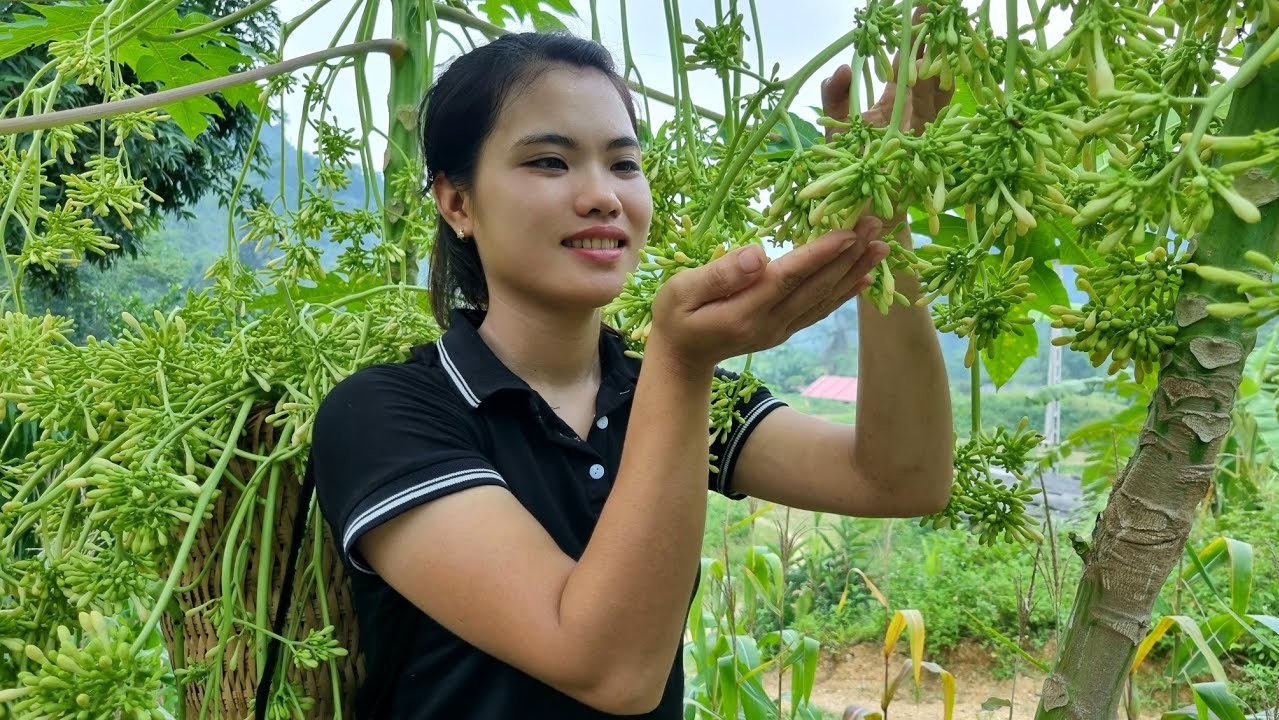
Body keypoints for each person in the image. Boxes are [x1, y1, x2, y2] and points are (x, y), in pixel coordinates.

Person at [310, 25, 953, 720]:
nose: (602, 196)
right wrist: (682, 365)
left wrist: (882, 209)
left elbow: (902, 476)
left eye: (623, 164)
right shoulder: (383, 414)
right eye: (551, 163)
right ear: (457, 203)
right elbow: (610, 670)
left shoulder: (658, 390)